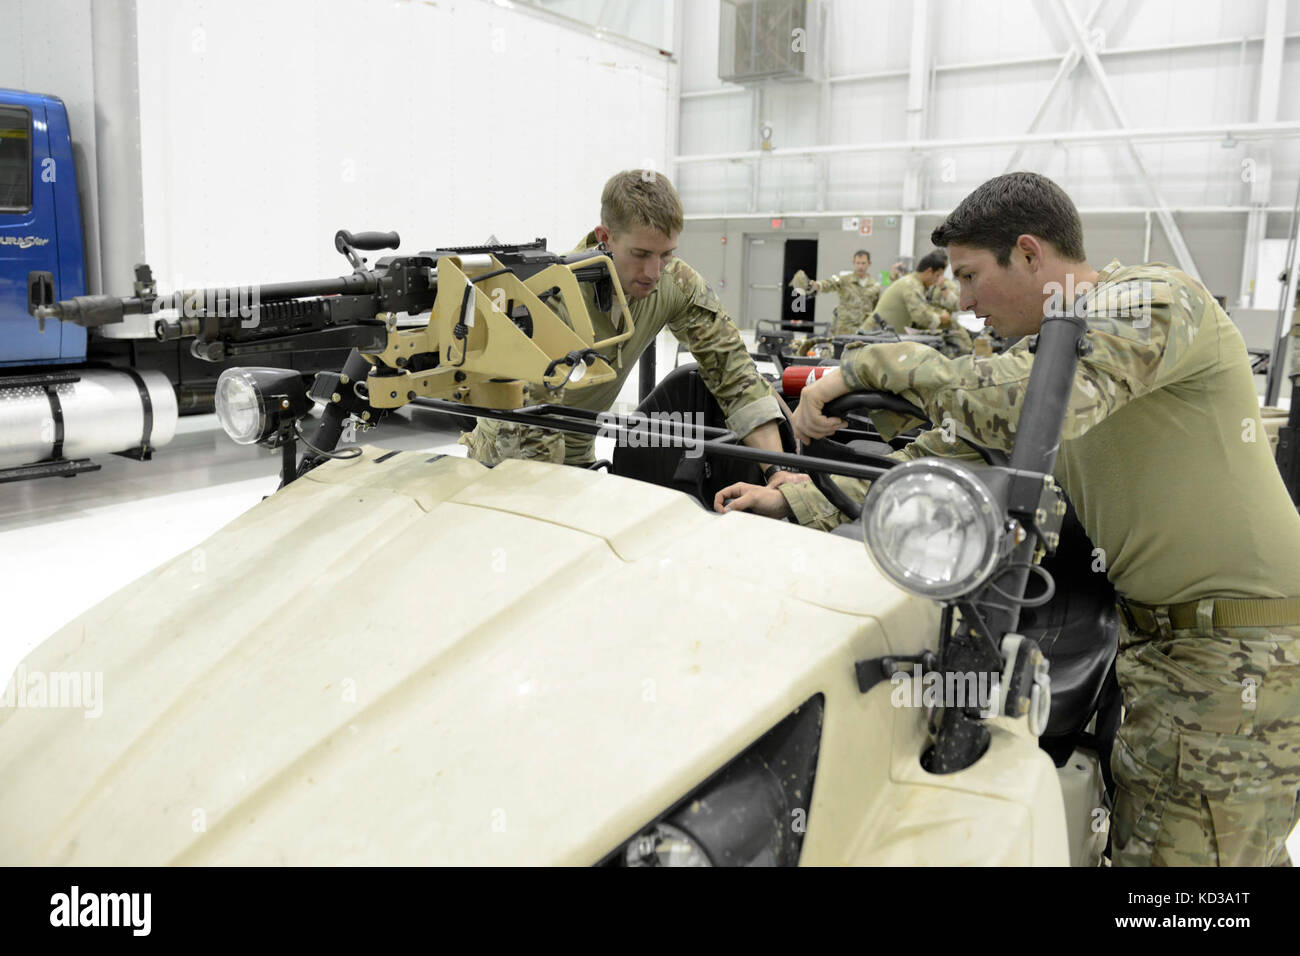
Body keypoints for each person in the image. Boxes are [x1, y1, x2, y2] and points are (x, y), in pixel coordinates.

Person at [715, 171, 1300, 867]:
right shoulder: (1053, 350)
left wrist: (862, 367)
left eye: (969, 277)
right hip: (1168, 646)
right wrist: (796, 498)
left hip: (1239, 654)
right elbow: (950, 451)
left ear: (1028, 254)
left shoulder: (1152, 301)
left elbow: (1022, 402)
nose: (962, 304)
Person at [461, 170, 791, 483]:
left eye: (665, 254)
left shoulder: (674, 281)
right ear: (605, 238)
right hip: (503, 464)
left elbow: (733, 375)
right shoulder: (551, 297)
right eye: (641, 253)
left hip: (577, 457)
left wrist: (779, 473)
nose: (653, 271)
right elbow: (528, 429)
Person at [870, 249, 973, 354]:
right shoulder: (912, 285)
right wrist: (940, 318)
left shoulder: (915, 283)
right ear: (929, 271)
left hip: (883, 337)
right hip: (874, 337)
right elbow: (921, 316)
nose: (937, 280)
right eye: (937, 275)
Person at [793, 250, 881, 335]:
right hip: (845, 329)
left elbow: (878, 309)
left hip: (865, 330)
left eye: (863, 263)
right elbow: (829, 284)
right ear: (854, 263)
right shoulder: (844, 279)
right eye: (858, 263)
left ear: (869, 263)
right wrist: (816, 285)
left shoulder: (875, 285)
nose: (860, 266)